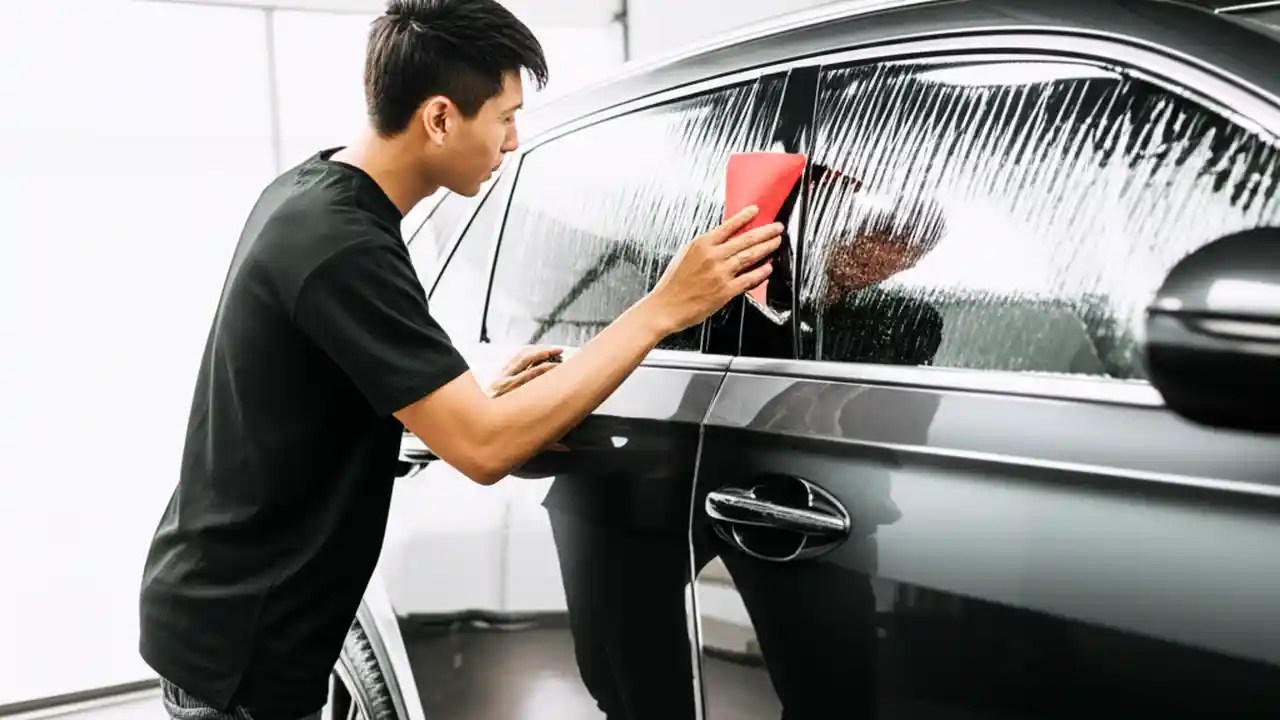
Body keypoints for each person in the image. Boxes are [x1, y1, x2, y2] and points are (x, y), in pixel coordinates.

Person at [136, 1, 784, 719]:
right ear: (440, 118)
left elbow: (317, 397)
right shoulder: (343, 246)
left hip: (224, 616)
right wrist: (663, 308)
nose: (513, 142)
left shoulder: (311, 196)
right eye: (504, 116)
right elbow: (484, 449)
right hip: (242, 654)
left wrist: (468, 398)